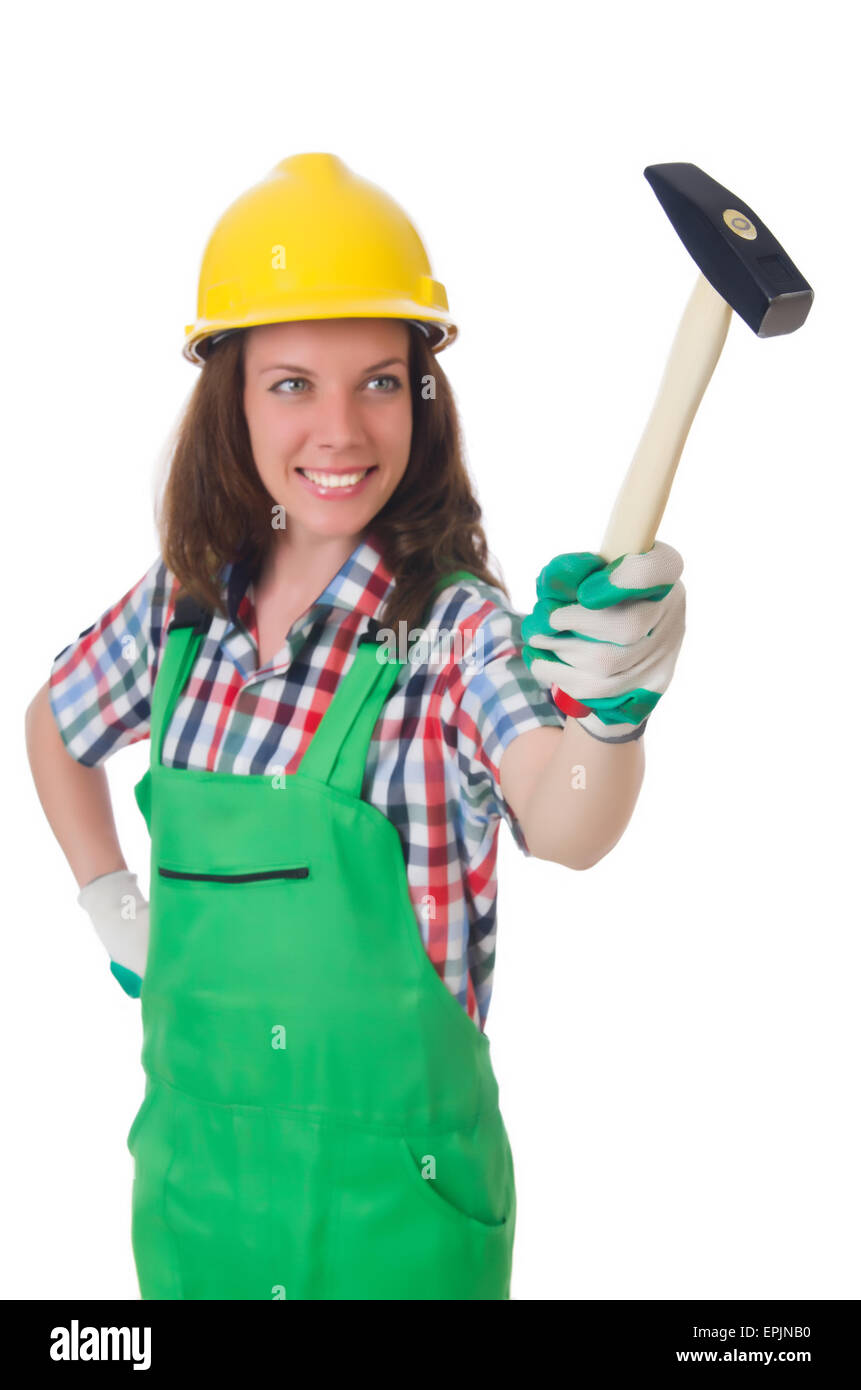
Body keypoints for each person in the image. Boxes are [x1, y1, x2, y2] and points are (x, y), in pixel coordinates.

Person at [24, 153, 685, 1300]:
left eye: (380, 381)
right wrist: (108, 901)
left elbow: (567, 823)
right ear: (228, 396)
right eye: (291, 383)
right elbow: (51, 726)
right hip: (199, 1212)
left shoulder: (456, 628)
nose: (341, 428)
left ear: (424, 398)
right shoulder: (181, 603)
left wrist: (611, 714)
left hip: (402, 1230)